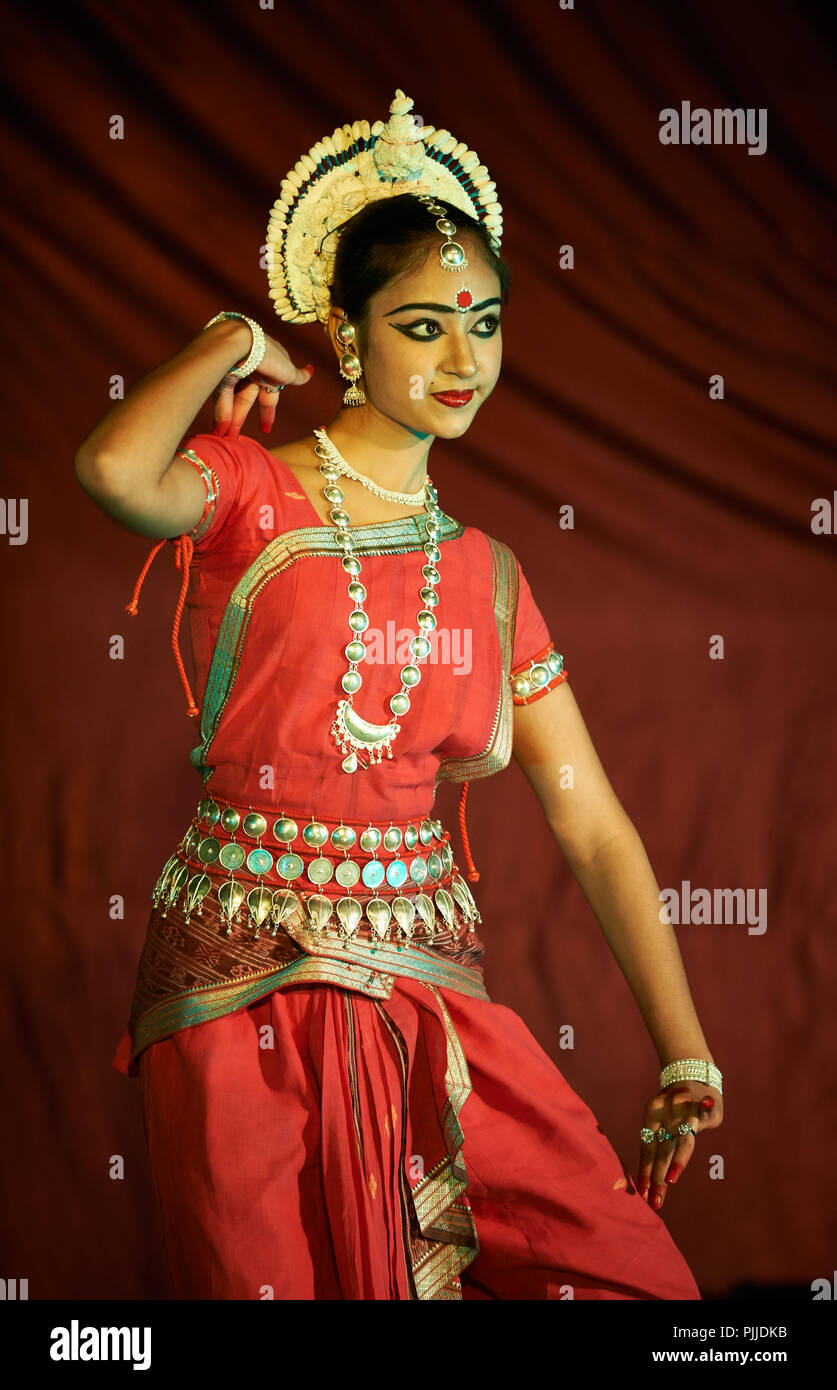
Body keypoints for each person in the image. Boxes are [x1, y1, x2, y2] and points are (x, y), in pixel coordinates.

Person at [74, 88, 722, 1301]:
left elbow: (589, 822)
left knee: (646, 1286)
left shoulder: (488, 576)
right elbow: (113, 469)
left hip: (426, 995)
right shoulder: (249, 492)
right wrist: (230, 339)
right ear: (349, 332)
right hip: (238, 992)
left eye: (483, 322)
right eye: (423, 325)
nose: (463, 359)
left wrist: (684, 1048)